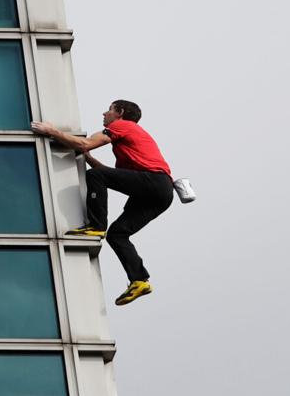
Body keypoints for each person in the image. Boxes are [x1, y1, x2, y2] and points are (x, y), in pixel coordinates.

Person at [32, 100, 186, 306]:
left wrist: (52, 131)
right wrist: (86, 156)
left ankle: (95, 226)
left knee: (95, 176)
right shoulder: (129, 144)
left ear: (120, 112)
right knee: (118, 234)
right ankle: (139, 280)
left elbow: (86, 145)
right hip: (160, 193)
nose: (104, 114)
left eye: (109, 110)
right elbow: (107, 171)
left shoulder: (123, 126)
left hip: (154, 182)